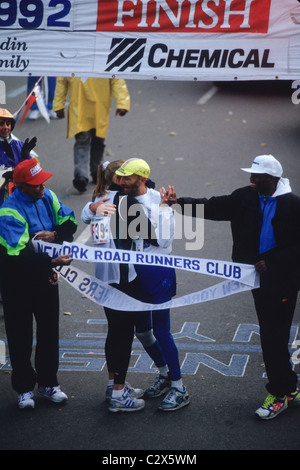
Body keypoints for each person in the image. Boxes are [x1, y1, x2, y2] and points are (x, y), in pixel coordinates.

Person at [161, 154, 300, 420]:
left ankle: (279, 395)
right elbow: (213, 207)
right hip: (254, 278)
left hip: (282, 281)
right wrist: (179, 202)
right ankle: (290, 389)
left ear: (271, 179)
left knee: (273, 337)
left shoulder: (293, 205)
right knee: (273, 335)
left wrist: (272, 260)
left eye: (256, 176)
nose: (250, 179)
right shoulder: (245, 197)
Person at [0, 159, 77, 409]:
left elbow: (70, 223)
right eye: (35, 184)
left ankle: (48, 383)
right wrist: (52, 259)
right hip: (16, 280)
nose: (42, 186)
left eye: (42, 181)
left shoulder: (48, 197)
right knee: (20, 334)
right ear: (21, 186)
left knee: (49, 331)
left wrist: (55, 234)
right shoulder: (8, 211)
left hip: (45, 276)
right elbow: (18, 253)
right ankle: (24, 389)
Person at [115, 158, 190, 411]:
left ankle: (179, 387)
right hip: (136, 272)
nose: (122, 181)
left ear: (142, 179)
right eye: (120, 177)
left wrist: (164, 209)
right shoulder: (125, 199)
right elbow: (89, 211)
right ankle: (165, 374)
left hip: (158, 272)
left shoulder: (158, 201)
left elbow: (161, 241)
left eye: (127, 177)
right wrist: (92, 207)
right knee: (143, 332)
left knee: (161, 331)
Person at [81, 159, 156, 412]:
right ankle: (117, 395)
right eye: (126, 175)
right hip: (125, 279)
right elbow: (151, 235)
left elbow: (84, 214)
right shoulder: (127, 203)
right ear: (120, 179)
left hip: (103, 278)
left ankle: (114, 384)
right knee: (123, 336)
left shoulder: (98, 199)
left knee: (114, 332)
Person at [53, 77, 130, 193]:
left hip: (88, 108)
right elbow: (117, 79)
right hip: (88, 108)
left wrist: (59, 105)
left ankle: (92, 172)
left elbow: (116, 78)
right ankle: (86, 175)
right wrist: (122, 103)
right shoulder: (102, 59)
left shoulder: (72, 59)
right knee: (88, 141)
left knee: (94, 142)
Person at [0, 108, 37, 205]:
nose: (5, 127)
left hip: (21, 197)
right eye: (1, 124)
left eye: (8, 124)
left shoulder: (20, 145)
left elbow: (34, 172)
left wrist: (27, 157)